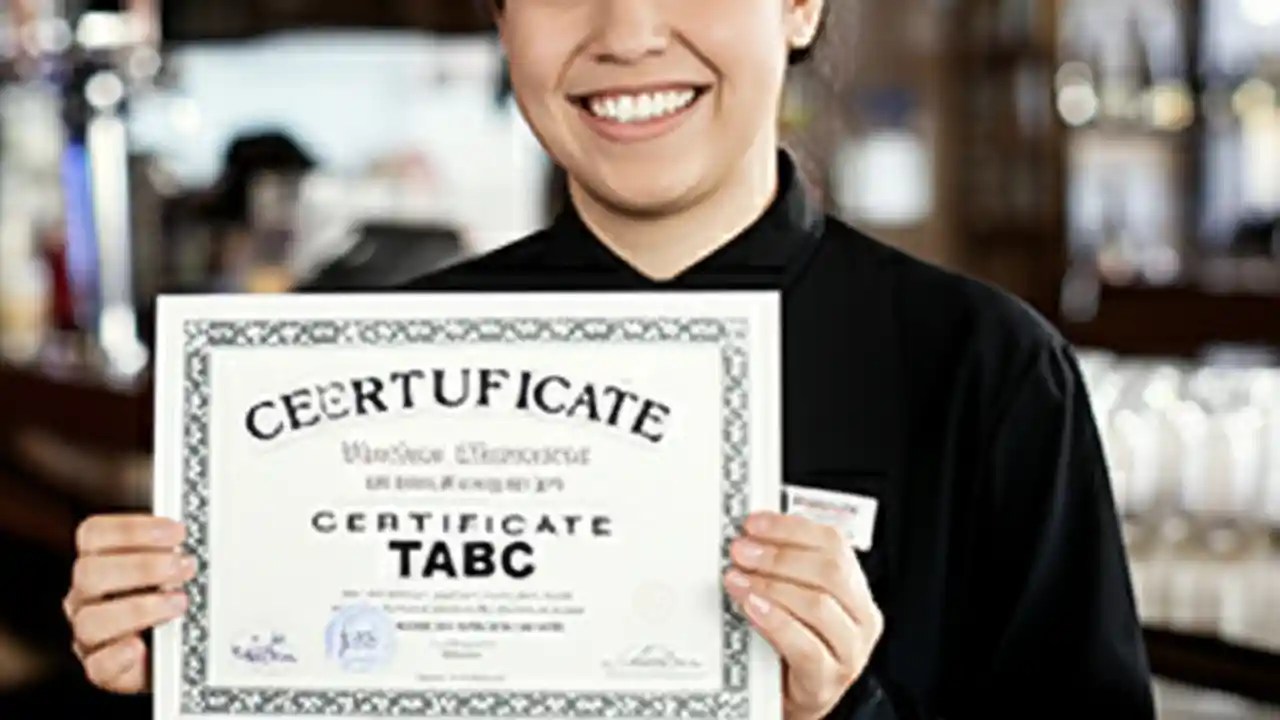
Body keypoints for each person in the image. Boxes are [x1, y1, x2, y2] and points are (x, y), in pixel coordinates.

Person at [63, 0, 1156, 716]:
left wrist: (844, 709)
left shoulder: (983, 369)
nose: (626, 31)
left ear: (799, 5)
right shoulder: (376, 366)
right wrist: (192, 670)